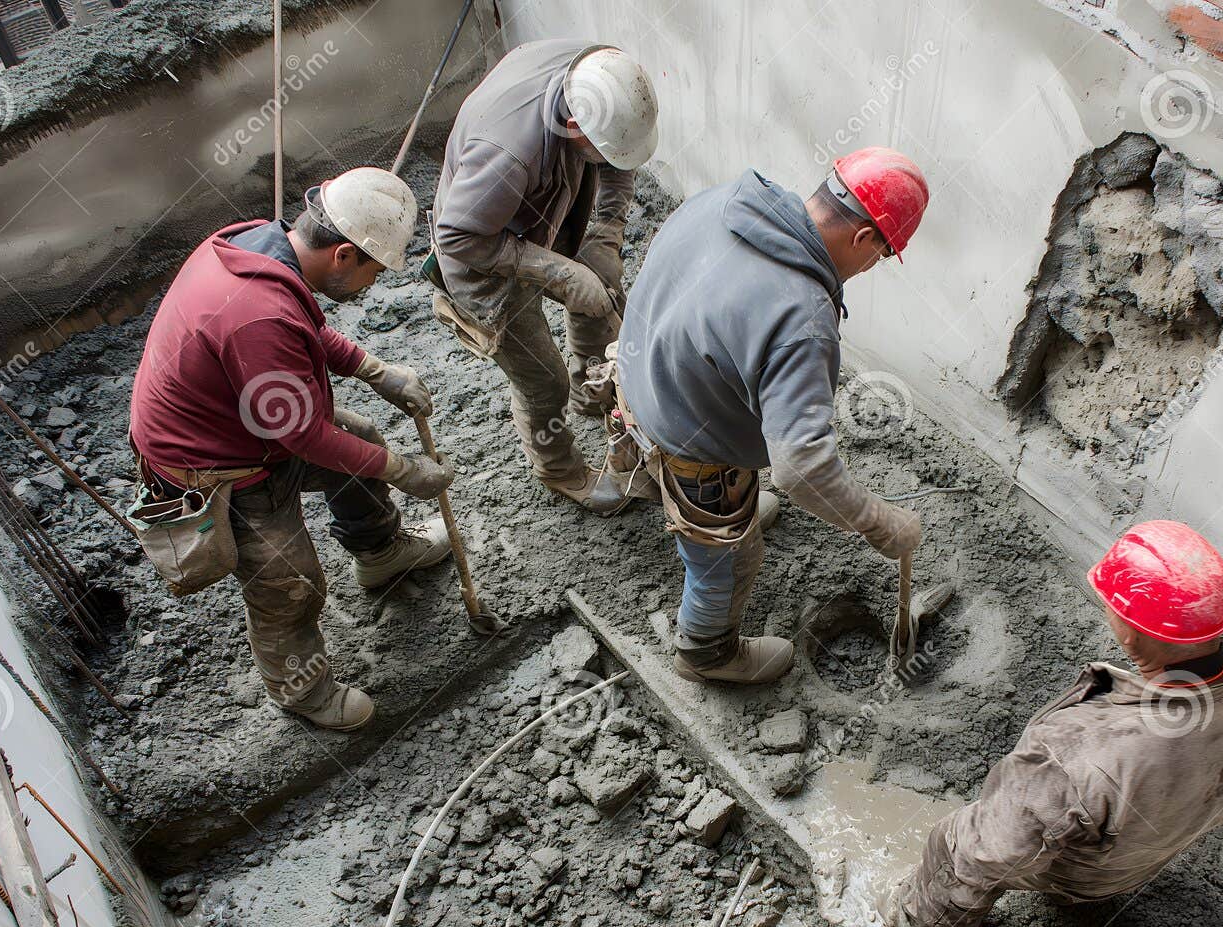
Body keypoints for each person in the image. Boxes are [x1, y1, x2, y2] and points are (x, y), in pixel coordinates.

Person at [884, 521, 1223, 927]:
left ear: (1130, 635)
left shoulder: (1074, 757)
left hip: (1090, 874)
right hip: (1167, 831)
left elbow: (983, 854)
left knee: (955, 844)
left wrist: (924, 911)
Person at [129, 168, 453, 731]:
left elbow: (306, 330)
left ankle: (380, 555)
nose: (376, 282)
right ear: (344, 255)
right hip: (214, 463)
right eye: (375, 269)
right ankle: (302, 690)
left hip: (249, 417)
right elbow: (302, 437)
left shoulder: (259, 244)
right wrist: (404, 470)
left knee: (361, 443)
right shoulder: (258, 314)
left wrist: (373, 370)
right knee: (290, 581)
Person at [606, 147, 930, 684]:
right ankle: (707, 654)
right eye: (880, 255)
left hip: (637, 381)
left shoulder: (728, 200)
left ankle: (712, 493)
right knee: (731, 559)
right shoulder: (801, 316)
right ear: (864, 239)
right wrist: (879, 523)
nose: (871, 267)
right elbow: (801, 468)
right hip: (683, 438)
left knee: (748, 490)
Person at [428, 40, 659, 514]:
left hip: (546, 203)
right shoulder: (507, 152)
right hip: (480, 247)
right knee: (542, 379)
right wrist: (559, 272)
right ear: (574, 127)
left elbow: (621, 161)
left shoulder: (597, 74)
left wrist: (606, 232)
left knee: (601, 299)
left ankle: (592, 388)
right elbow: (459, 235)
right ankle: (558, 467)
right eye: (600, 148)